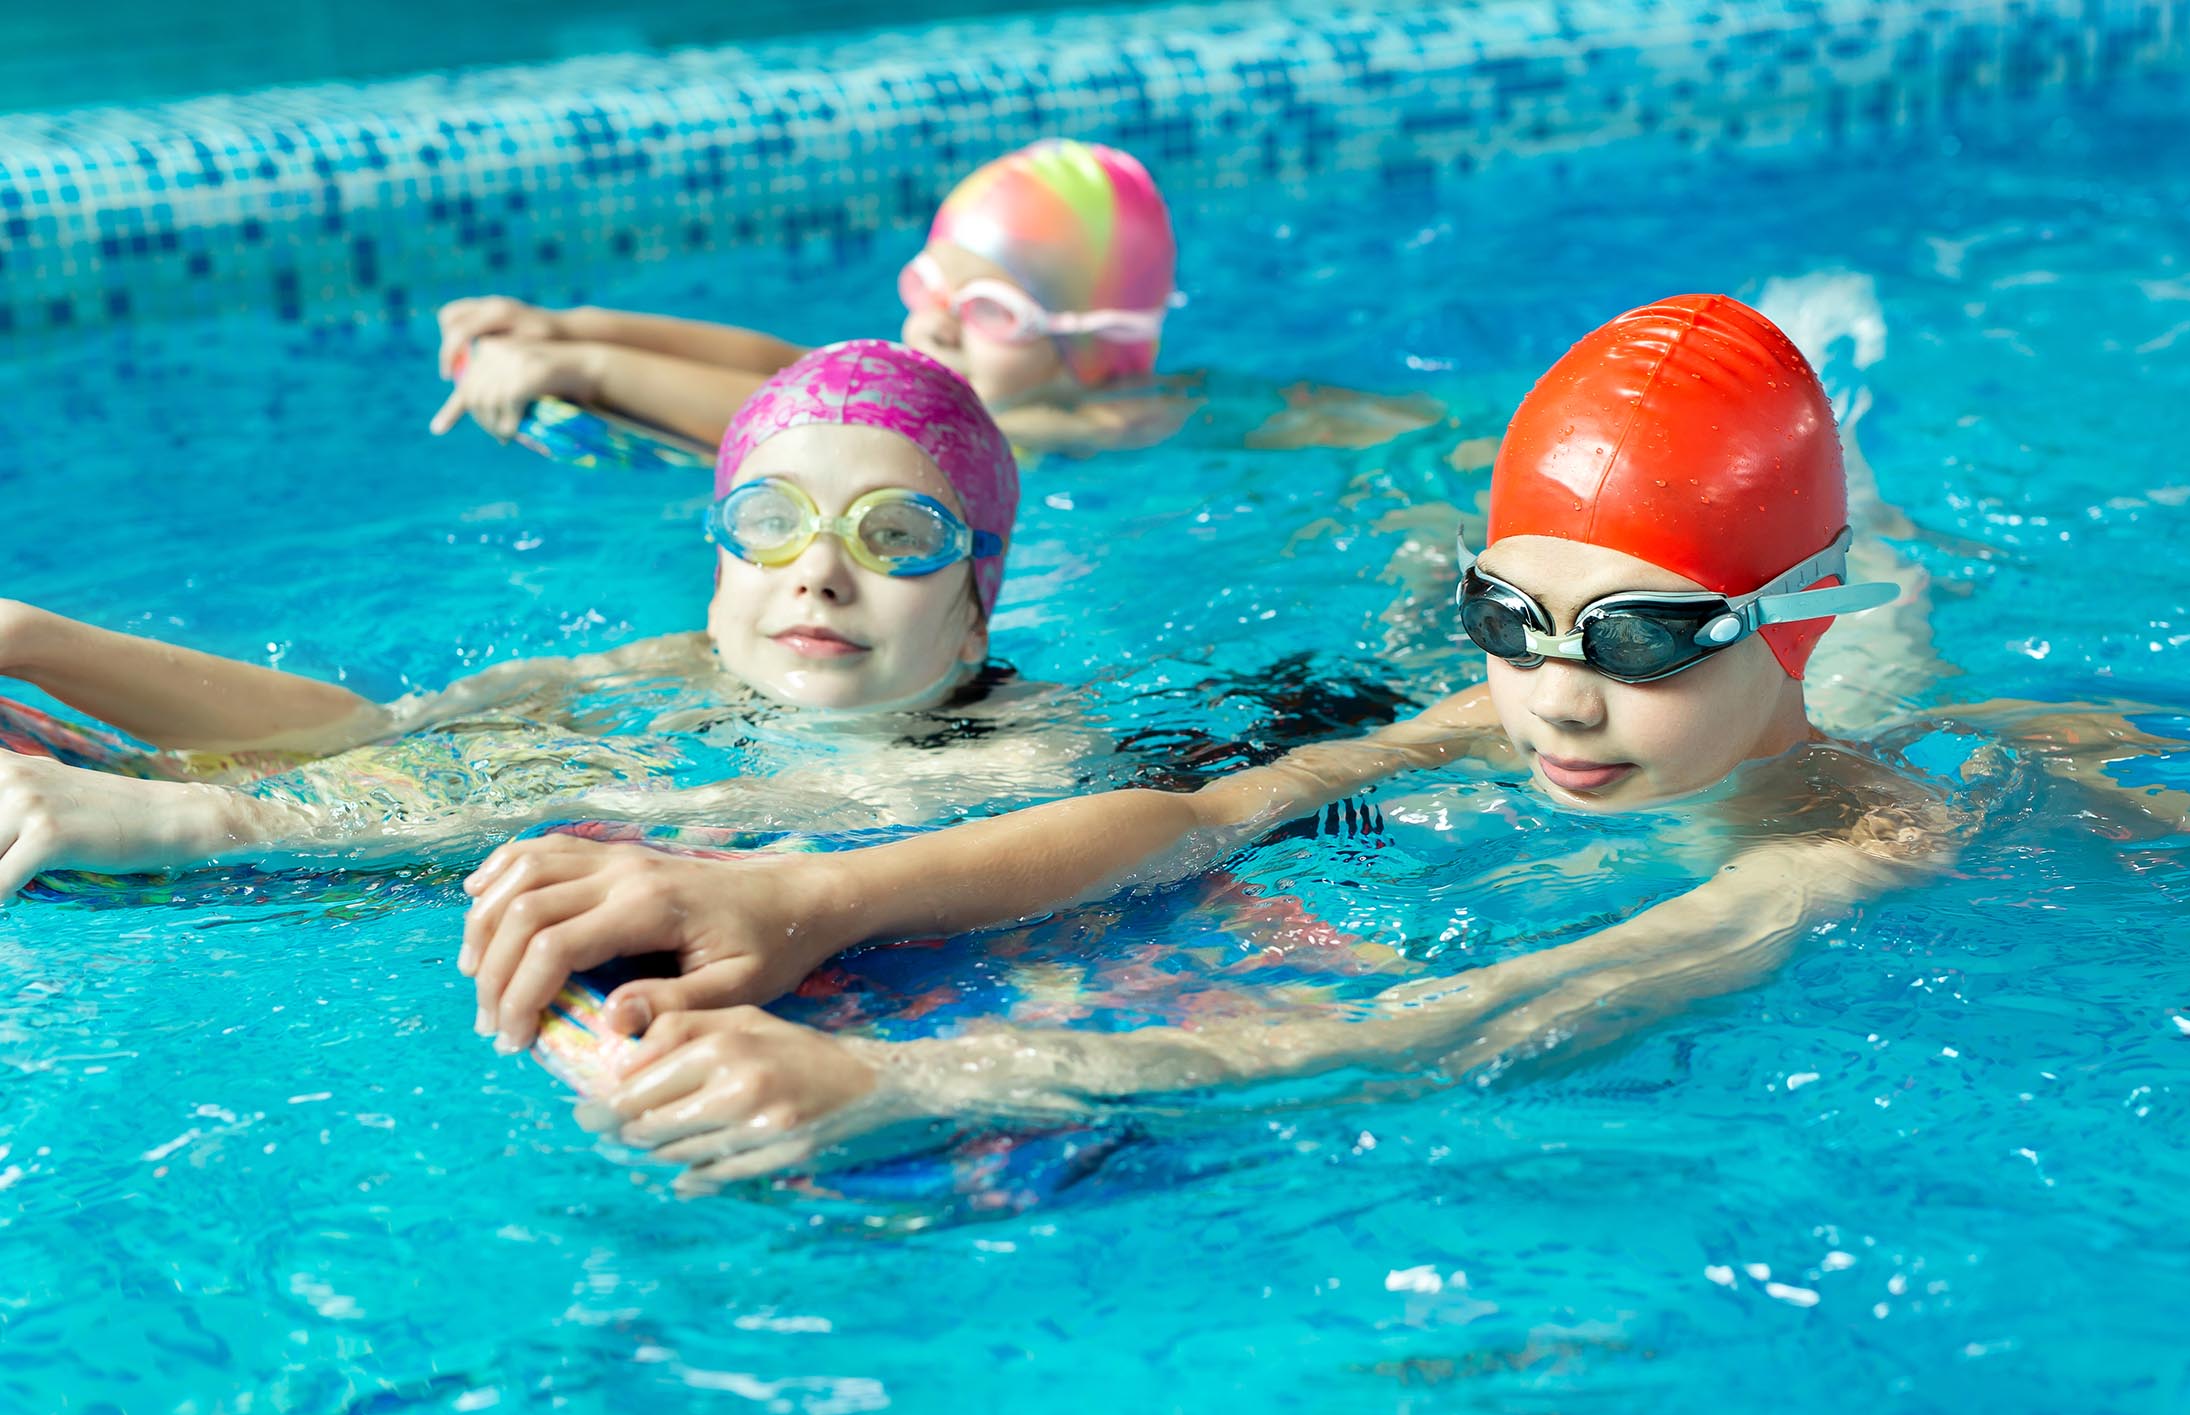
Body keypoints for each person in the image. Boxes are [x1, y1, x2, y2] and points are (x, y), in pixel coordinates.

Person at [458, 294, 1950, 1182]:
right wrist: (801, 900)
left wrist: (920, 1082)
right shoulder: (1502, 711)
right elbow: (1219, 809)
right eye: (1510, 614)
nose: (1556, 697)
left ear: (1794, 619)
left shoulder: (1843, 847)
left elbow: (1473, 1013)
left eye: (1635, 638)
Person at [0, 342, 1036, 898]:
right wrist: (38, 642)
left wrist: (212, 822)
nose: (817, 573)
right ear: (719, 574)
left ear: (975, 615)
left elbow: (567, 810)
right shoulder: (670, 668)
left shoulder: (1019, 768)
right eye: (769, 523)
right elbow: (373, 735)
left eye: (897, 538)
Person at [431, 139, 1187, 455]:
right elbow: (802, 368)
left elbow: (832, 423)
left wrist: (589, 371)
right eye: (927, 286)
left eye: (990, 308)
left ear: (1096, 346)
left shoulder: (1110, 419)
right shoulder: (994, 389)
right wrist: (567, 327)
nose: (936, 326)